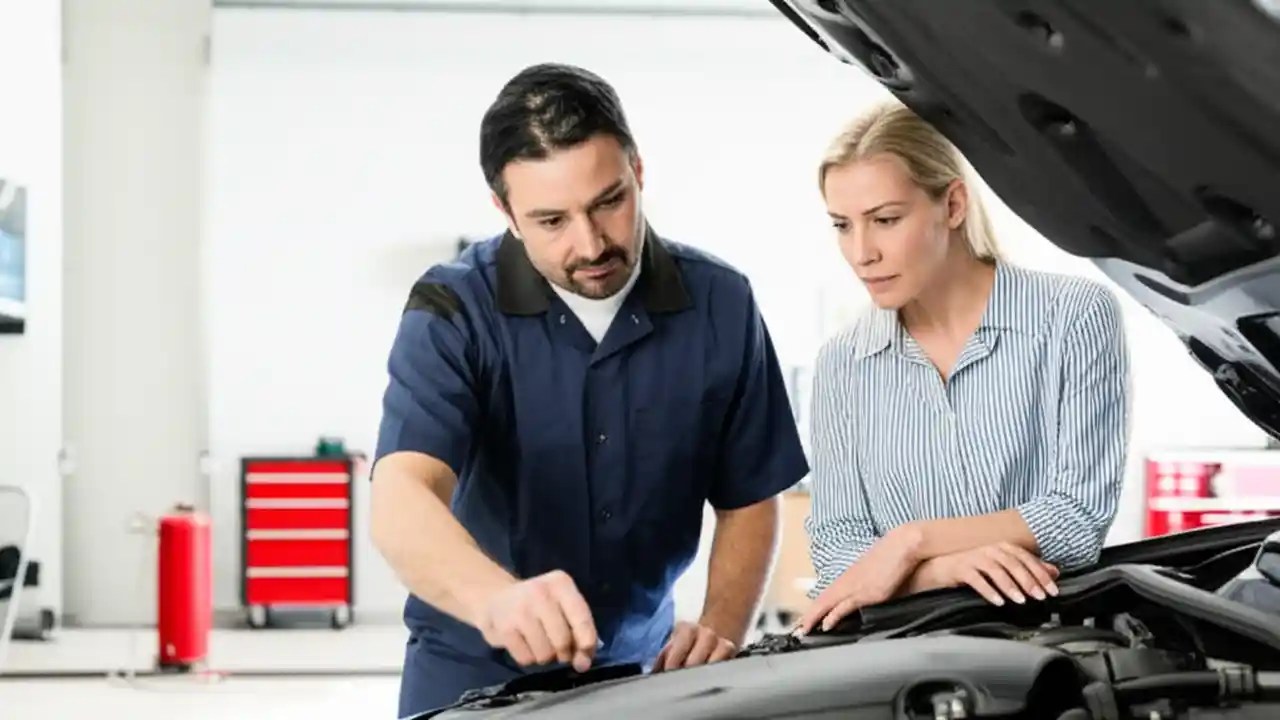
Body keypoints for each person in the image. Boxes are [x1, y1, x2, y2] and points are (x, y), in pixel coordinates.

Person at [369, 62, 809, 717]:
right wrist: (496, 598)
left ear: (638, 170)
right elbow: (402, 494)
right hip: (467, 667)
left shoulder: (724, 303)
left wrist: (720, 624)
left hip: (645, 672)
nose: (591, 242)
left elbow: (750, 498)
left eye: (610, 201)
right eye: (551, 221)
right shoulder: (453, 308)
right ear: (505, 212)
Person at [796, 101, 1131, 635]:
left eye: (885, 220)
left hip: (1050, 648)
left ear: (952, 205)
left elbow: (1074, 521)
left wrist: (911, 543)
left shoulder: (1073, 317)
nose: (861, 253)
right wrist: (945, 570)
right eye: (842, 225)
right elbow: (838, 552)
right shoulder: (844, 363)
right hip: (901, 658)